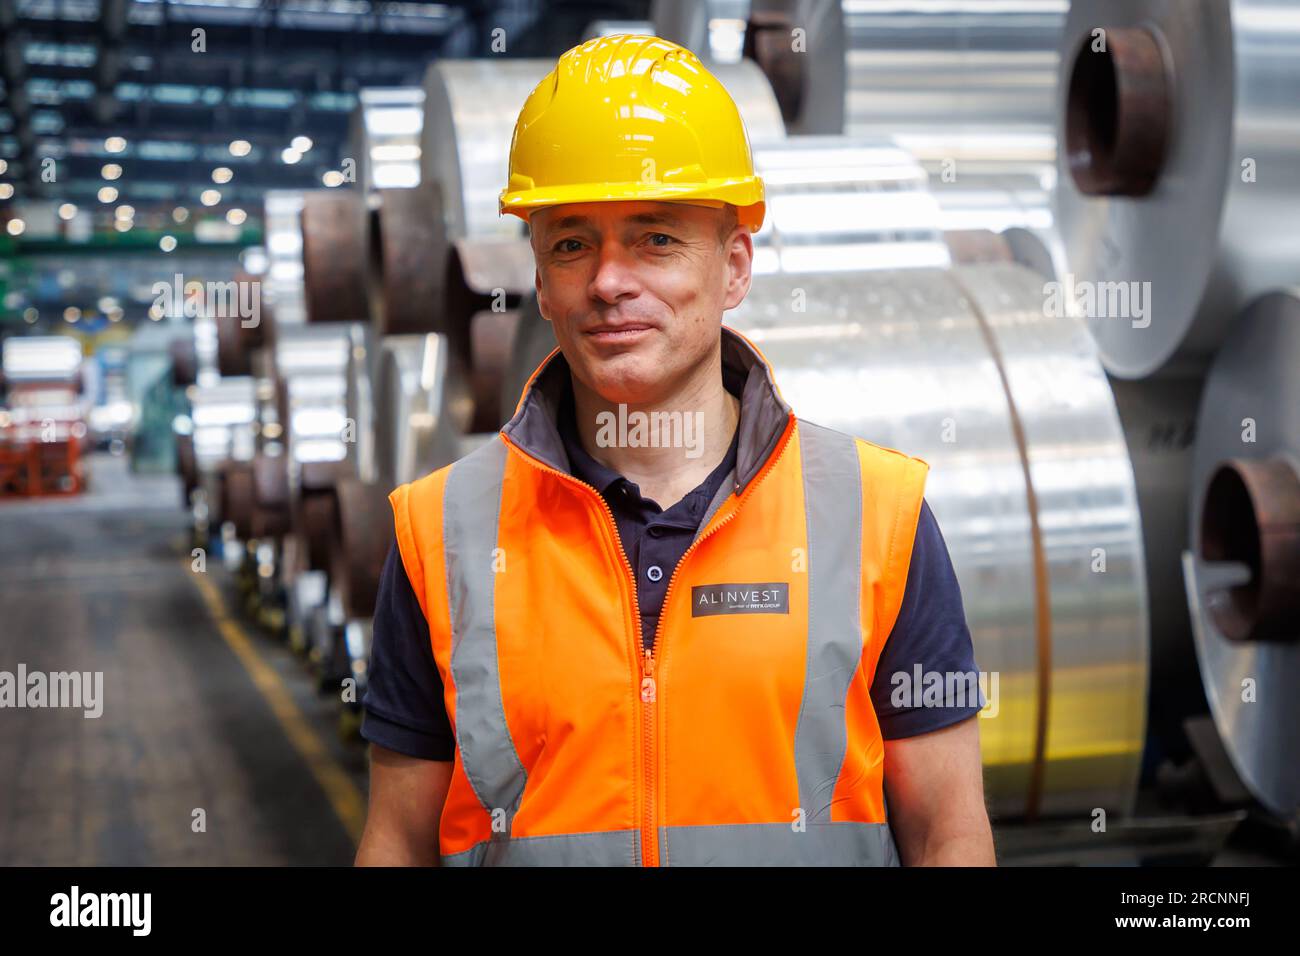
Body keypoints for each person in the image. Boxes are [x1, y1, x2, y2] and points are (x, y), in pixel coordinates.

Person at [355, 34, 994, 866]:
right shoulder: (440, 535)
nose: (610, 281)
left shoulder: (877, 515)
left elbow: (949, 831)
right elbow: (396, 840)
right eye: (573, 243)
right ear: (541, 282)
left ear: (734, 269)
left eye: (655, 239)